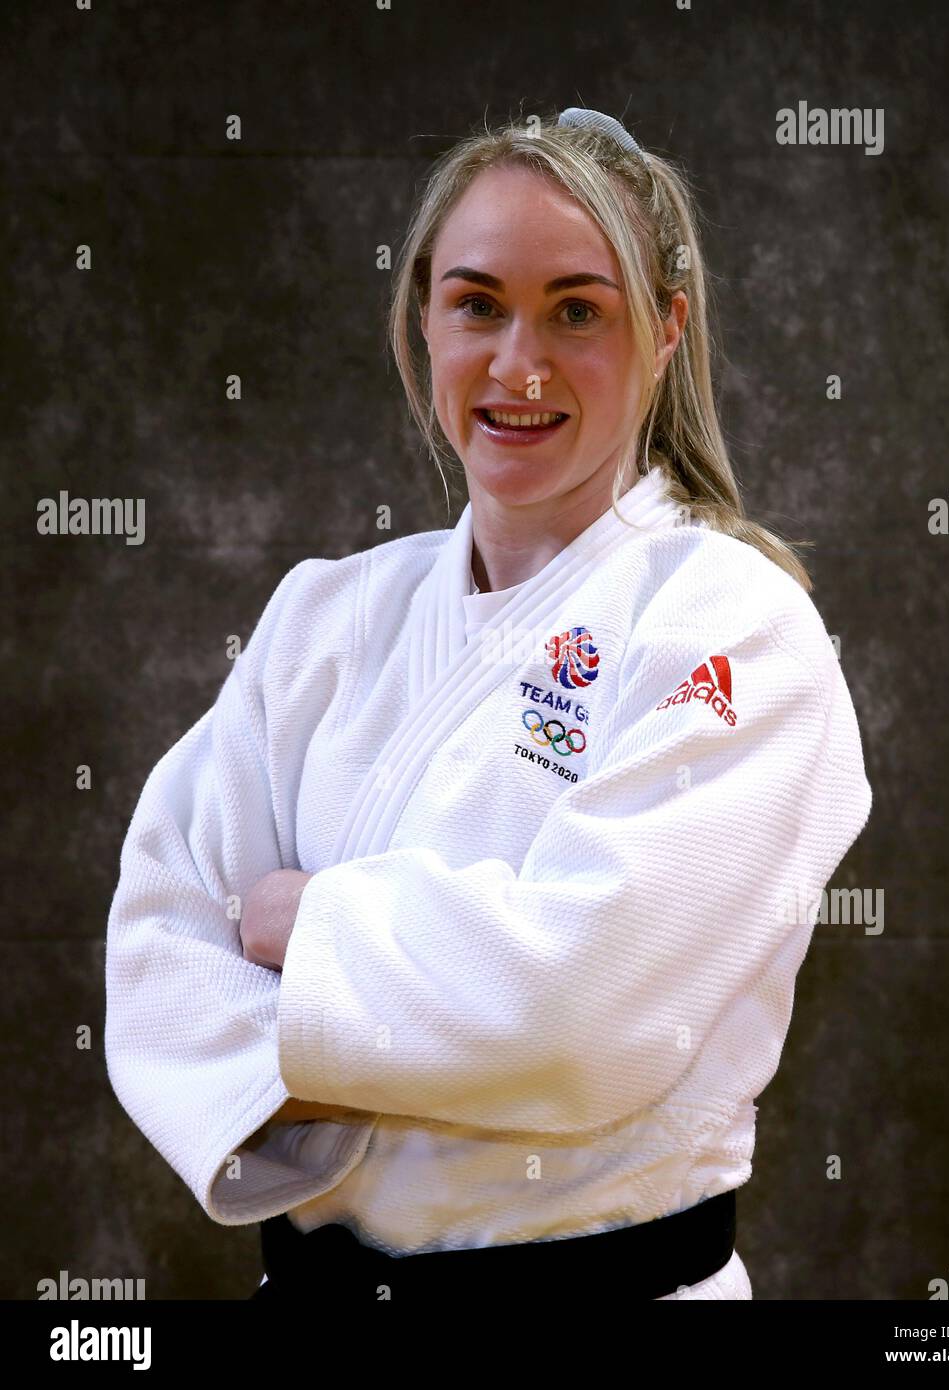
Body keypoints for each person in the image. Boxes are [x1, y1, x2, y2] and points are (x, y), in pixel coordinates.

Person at [104, 106, 873, 1302]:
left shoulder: (731, 629)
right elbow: (156, 956)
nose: (519, 364)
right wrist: (422, 1024)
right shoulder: (326, 615)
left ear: (664, 331)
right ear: (424, 316)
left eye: (577, 309)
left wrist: (302, 929)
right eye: (477, 304)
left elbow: (573, 1015)